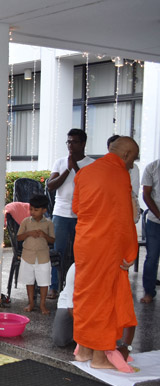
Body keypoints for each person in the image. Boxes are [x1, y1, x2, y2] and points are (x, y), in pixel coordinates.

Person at [72, 137, 140, 372]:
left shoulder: (85, 172)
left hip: (84, 244)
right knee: (103, 300)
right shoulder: (119, 174)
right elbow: (124, 219)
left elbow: (76, 208)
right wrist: (131, 251)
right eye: (133, 159)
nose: (132, 165)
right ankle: (100, 357)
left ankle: (84, 350)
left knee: (84, 295)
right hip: (106, 245)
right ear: (127, 155)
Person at [46, 129, 94, 298]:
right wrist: (68, 169)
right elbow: (50, 186)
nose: (70, 146)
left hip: (83, 215)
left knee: (81, 251)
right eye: (68, 142)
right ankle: (54, 286)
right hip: (61, 213)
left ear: (83, 144)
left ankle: (78, 286)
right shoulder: (60, 162)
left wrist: (77, 168)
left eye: (74, 142)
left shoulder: (92, 164)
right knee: (57, 251)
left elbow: (91, 188)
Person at [52, 263, 135, 360]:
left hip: (102, 310)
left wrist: (126, 347)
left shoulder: (118, 272)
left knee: (111, 345)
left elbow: (128, 315)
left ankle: (90, 338)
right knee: (60, 339)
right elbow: (72, 308)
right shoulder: (76, 268)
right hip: (74, 306)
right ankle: (81, 337)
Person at [16, 194, 55, 315]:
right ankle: (31, 302)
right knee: (29, 281)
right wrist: (28, 233)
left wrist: (44, 235)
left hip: (43, 257)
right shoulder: (25, 222)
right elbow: (18, 237)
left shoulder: (48, 223)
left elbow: (52, 240)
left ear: (44, 210)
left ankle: (43, 304)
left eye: (36, 210)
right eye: (31, 209)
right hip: (28, 256)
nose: (32, 212)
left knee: (44, 281)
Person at [140, 155, 160, 304]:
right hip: (155, 221)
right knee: (152, 257)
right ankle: (149, 291)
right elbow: (146, 195)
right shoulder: (152, 168)